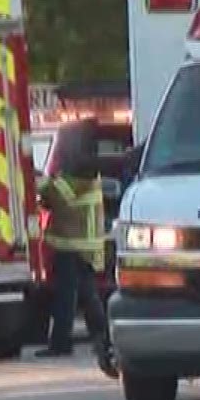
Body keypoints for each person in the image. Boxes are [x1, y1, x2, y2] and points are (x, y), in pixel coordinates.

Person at [33, 122, 117, 377]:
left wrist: (38, 180)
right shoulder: (84, 174)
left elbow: (57, 196)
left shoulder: (79, 178)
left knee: (66, 299)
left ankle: (61, 343)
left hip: (73, 246)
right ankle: (103, 340)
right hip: (82, 247)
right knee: (88, 296)